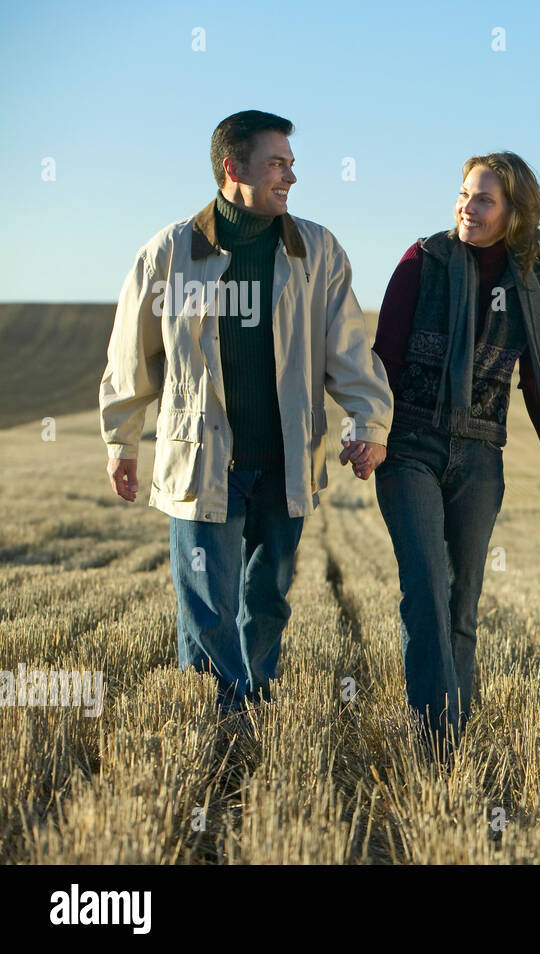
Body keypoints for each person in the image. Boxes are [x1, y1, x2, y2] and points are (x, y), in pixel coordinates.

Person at [99, 109, 393, 714]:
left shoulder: (316, 250)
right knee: (207, 601)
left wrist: (369, 422)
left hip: (286, 458)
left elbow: (349, 347)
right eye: (277, 163)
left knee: (268, 599)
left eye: (290, 163)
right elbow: (133, 354)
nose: (291, 176)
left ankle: (253, 703)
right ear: (233, 168)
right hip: (204, 458)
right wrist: (121, 441)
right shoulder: (171, 252)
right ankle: (215, 722)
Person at [372, 151, 540, 759]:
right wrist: (369, 428)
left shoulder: (532, 281)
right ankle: (434, 738)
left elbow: (536, 373)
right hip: (409, 443)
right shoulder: (423, 261)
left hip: (482, 452)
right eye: (464, 194)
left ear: (514, 213)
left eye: (483, 199)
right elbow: (382, 357)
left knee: (463, 601)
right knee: (427, 586)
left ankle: (453, 736)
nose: (467, 206)